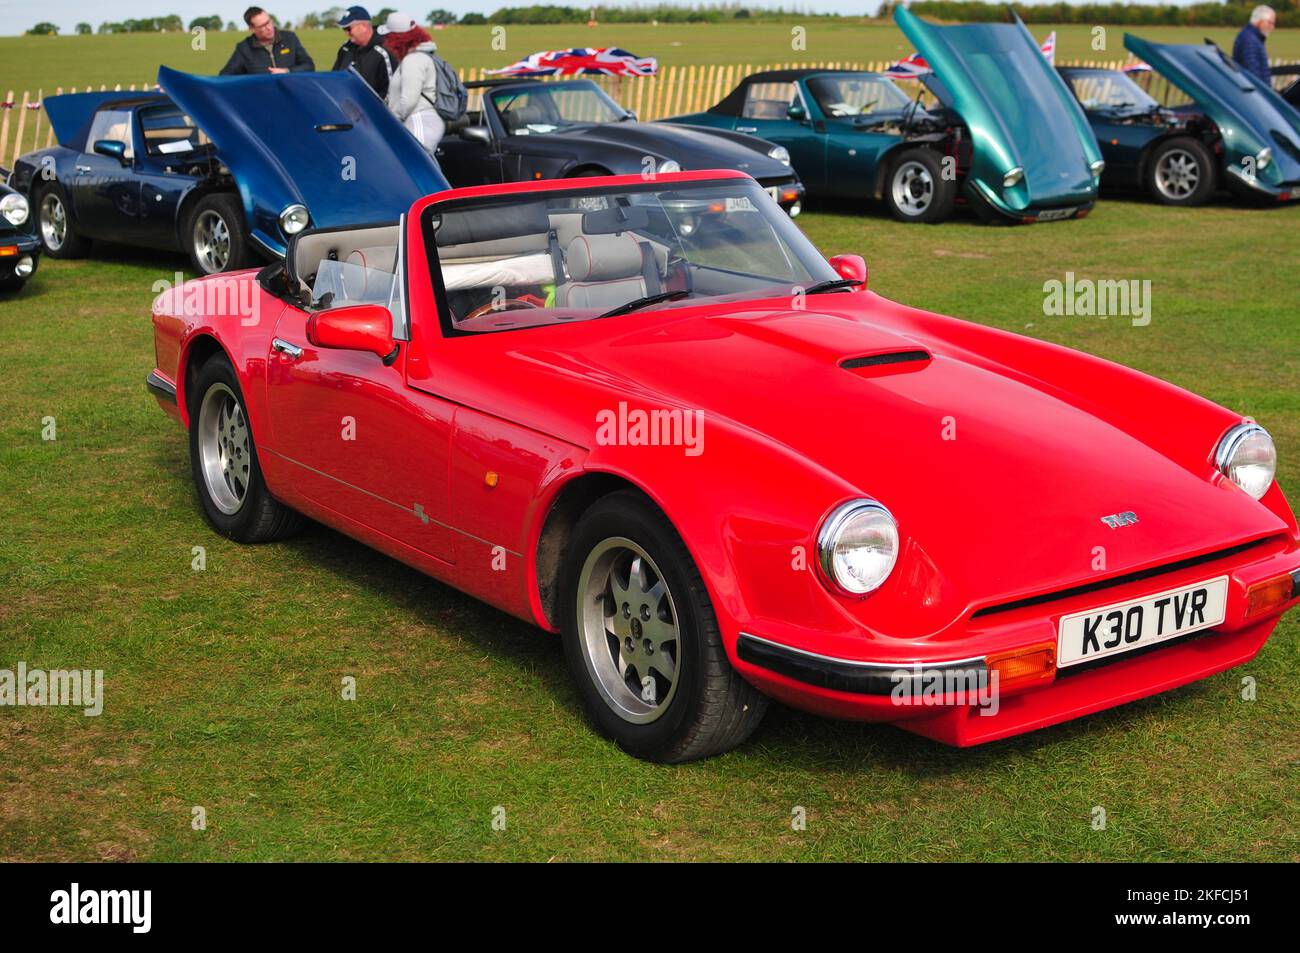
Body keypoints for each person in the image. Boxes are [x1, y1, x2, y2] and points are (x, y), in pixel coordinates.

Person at [380, 12, 449, 155]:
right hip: (423, 121)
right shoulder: (420, 57)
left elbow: (409, 100)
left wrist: (389, 119)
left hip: (419, 120)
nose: (386, 41)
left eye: (389, 36)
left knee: (415, 167)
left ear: (397, 38)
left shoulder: (413, 60)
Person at [220, 7, 315, 75]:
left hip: (291, 98)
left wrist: (287, 71)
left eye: (268, 22)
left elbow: (309, 65)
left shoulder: (290, 38)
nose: (269, 28)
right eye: (262, 26)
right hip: (262, 100)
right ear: (252, 29)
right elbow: (225, 76)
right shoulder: (244, 48)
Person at [331, 6, 393, 98]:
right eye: (344, 29)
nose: (346, 33)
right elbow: (334, 79)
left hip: (372, 110)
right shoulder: (345, 49)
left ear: (363, 27)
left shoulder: (383, 53)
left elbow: (390, 92)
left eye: (348, 29)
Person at [1232, 5, 1275, 86]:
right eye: (1270, 23)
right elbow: (1254, 76)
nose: (1272, 27)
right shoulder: (1249, 41)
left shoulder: (1253, 37)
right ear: (1260, 21)